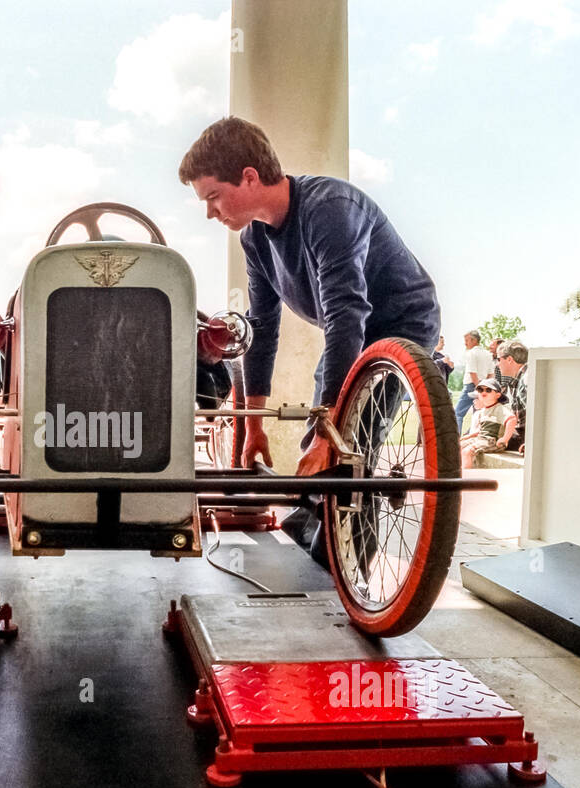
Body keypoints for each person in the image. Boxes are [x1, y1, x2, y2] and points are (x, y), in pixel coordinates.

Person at [179, 116, 441, 559]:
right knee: (315, 438)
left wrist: (329, 432)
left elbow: (346, 313)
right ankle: (309, 519)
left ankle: (344, 566)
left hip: (401, 325)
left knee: (349, 444)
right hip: (348, 330)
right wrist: (253, 427)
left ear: (249, 177)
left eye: (214, 197)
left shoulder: (330, 209)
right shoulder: (255, 241)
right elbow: (260, 331)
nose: (210, 212)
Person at [459, 378, 517, 469]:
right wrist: (468, 436)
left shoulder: (500, 409)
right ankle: (459, 471)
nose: (483, 392)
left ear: (498, 395)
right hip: (481, 438)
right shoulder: (483, 411)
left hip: (493, 441)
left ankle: (466, 477)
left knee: (467, 451)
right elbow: (480, 430)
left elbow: (512, 419)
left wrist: (505, 439)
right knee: (458, 446)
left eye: (488, 390)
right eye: (480, 390)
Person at [495, 338, 529, 453]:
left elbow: (537, 415)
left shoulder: (525, 380)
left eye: (498, 359)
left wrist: (531, 443)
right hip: (522, 434)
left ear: (509, 359)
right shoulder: (520, 378)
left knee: (486, 440)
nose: (497, 364)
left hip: (525, 436)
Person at [455, 330, 493, 431]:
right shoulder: (488, 354)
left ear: (474, 340)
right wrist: (485, 388)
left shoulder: (471, 353)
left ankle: (454, 442)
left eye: (467, 340)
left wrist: (479, 388)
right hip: (484, 385)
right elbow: (491, 374)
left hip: (471, 386)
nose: (465, 343)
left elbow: (472, 373)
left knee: (458, 413)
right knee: (478, 414)